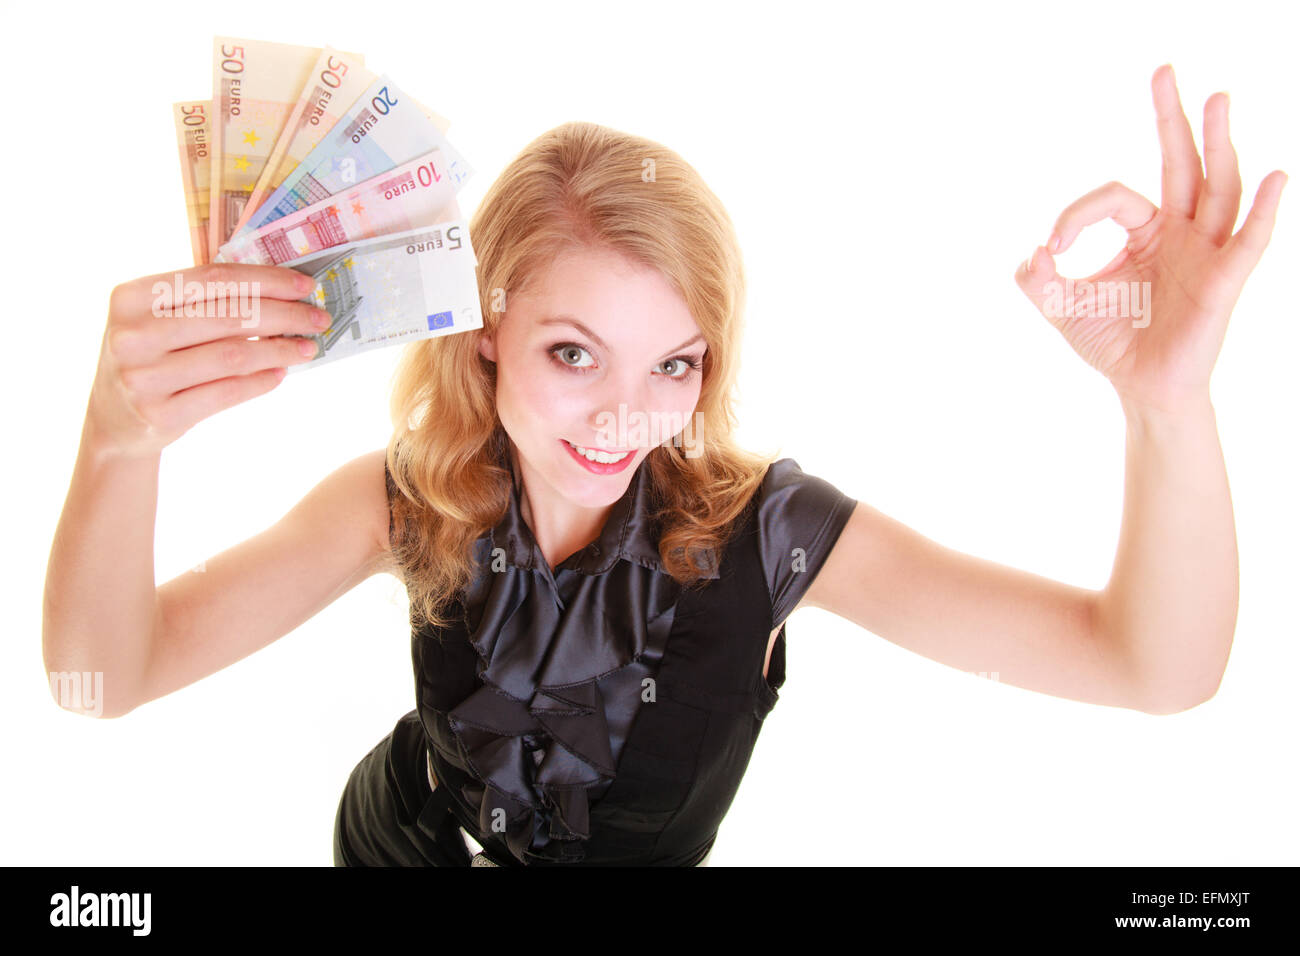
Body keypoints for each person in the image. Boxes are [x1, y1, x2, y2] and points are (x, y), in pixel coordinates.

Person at [43, 64, 1284, 865]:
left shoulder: (773, 534)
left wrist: (1166, 403)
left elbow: (1153, 670)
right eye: (574, 352)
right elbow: (101, 682)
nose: (625, 418)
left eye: (676, 364)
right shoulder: (402, 499)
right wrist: (117, 441)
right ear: (485, 334)